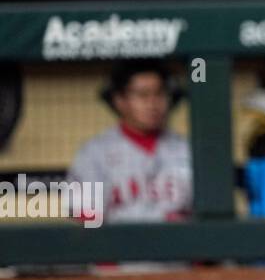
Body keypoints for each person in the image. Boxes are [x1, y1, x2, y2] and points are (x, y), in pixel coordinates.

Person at [67, 60, 192, 224]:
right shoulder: (94, 153)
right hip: (118, 246)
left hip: (181, 244)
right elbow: (82, 214)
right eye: (143, 95)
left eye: (160, 94)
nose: (153, 104)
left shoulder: (187, 149)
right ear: (120, 100)